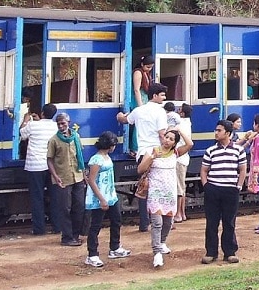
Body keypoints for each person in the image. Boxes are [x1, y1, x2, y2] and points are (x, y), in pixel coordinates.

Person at [138, 125, 192, 268]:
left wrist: (180, 130)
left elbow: (190, 144)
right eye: (166, 137)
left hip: (170, 193)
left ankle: (162, 242)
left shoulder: (176, 152)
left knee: (168, 222)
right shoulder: (152, 151)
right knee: (157, 223)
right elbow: (140, 169)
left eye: (171, 139)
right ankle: (157, 253)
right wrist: (152, 158)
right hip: (155, 193)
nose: (166, 140)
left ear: (175, 143)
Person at [118, 82, 169, 232]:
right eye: (162, 95)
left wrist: (120, 115)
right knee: (158, 187)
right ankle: (158, 220)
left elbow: (124, 120)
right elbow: (162, 134)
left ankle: (144, 223)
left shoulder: (139, 111)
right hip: (156, 153)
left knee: (143, 186)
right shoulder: (160, 112)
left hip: (142, 154)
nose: (164, 98)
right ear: (154, 95)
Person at [200, 119, 246, 264]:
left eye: (219, 130)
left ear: (228, 133)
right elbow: (204, 170)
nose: (216, 133)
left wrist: (238, 186)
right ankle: (211, 252)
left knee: (229, 222)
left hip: (230, 190)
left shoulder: (239, 150)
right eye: (216, 130)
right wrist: (206, 186)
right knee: (211, 223)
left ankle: (230, 252)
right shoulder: (210, 150)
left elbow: (243, 169)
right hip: (213, 189)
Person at [84, 131, 131, 268]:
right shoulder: (96, 160)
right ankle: (92, 254)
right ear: (109, 145)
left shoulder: (106, 157)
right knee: (95, 226)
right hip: (100, 197)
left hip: (110, 196)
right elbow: (92, 181)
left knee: (116, 220)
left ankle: (115, 247)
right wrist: (101, 199)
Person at [47, 112, 87, 246]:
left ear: (68, 122)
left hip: (78, 176)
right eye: (58, 124)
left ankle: (75, 235)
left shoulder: (76, 136)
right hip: (63, 178)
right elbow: (50, 160)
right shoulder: (53, 140)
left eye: (63, 123)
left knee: (79, 206)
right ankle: (67, 237)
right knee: (64, 208)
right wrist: (55, 176)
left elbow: (79, 155)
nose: (60, 126)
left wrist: (84, 174)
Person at [20, 102, 58, 236]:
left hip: (35, 166)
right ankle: (57, 227)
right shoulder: (55, 126)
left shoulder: (32, 125)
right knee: (55, 197)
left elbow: (22, 134)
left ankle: (39, 229)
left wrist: (25, 121)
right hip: (52, 166)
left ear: (42, 113)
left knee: (37, 197)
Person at [173, 103, 193, 223]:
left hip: (179, 159)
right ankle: (182, 213)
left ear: (182, 113)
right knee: (181, 186)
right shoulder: (187, 123)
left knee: (178, 188)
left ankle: (178, 214)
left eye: (179, 109)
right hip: (183, 159)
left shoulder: (180, 124)